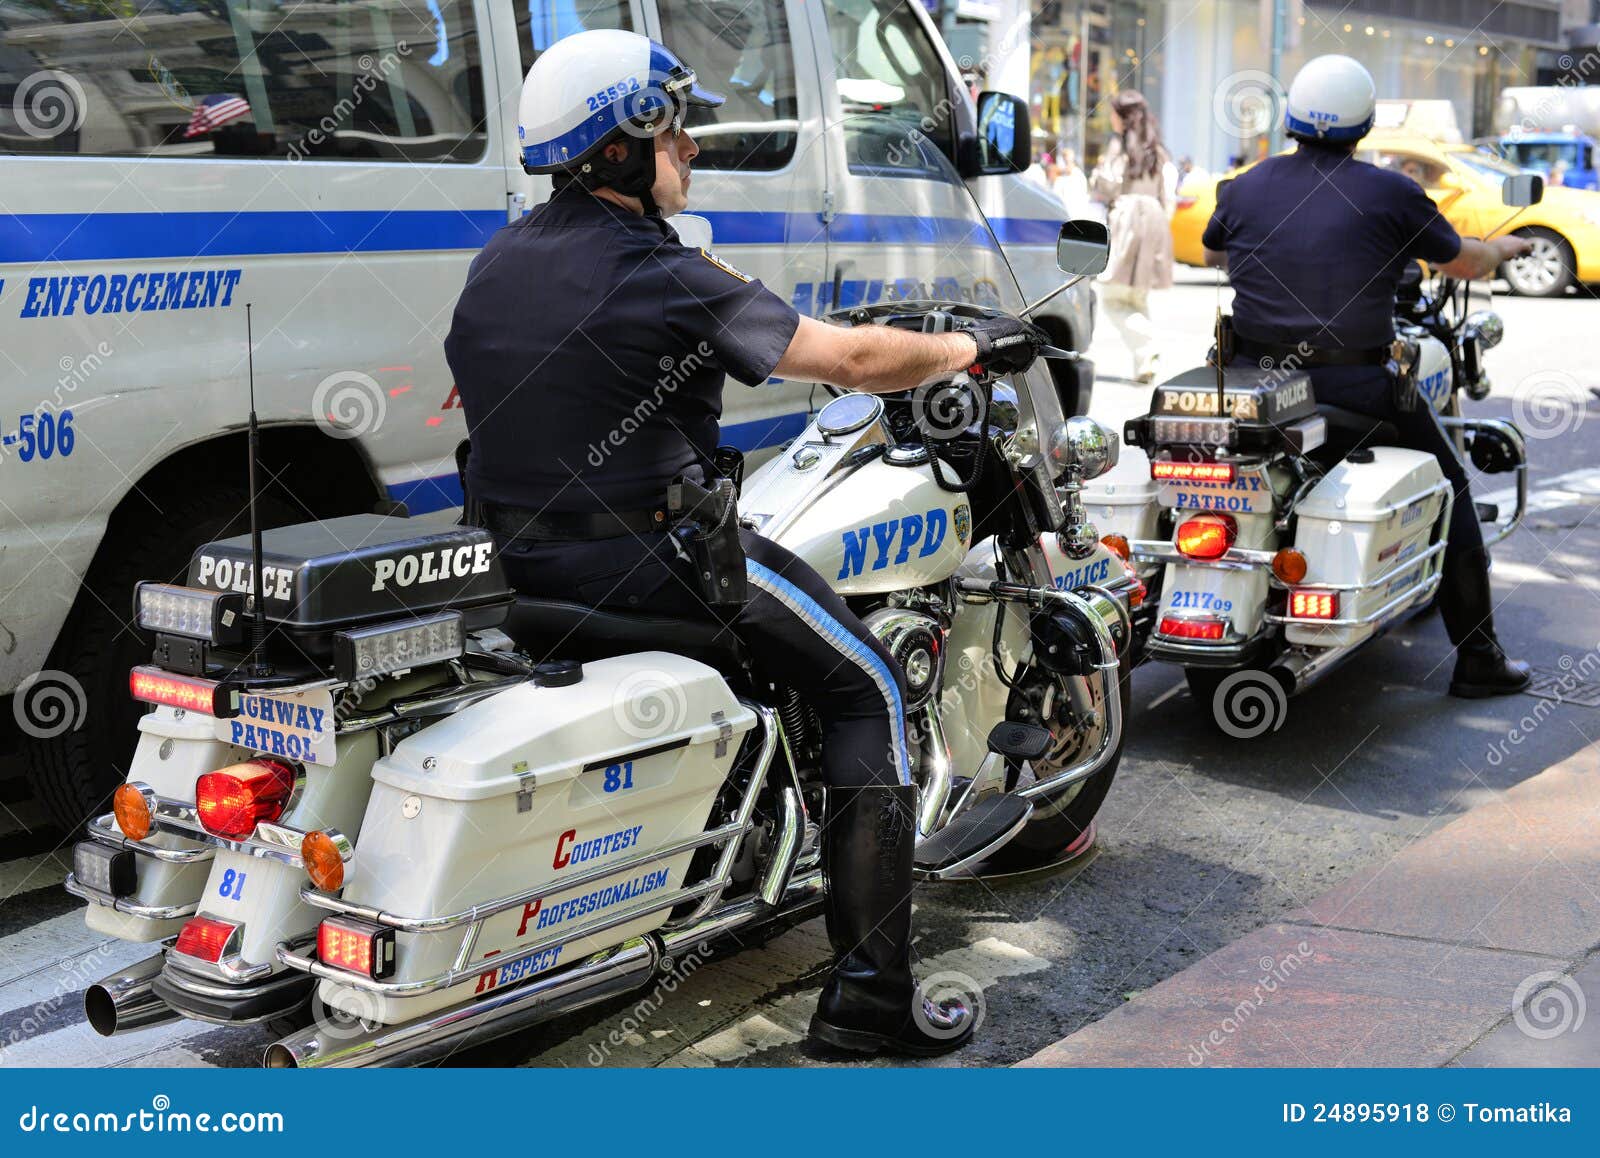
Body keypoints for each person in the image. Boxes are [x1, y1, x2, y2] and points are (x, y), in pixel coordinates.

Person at [443, 29, 1043, 1056]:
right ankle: (868, 1001)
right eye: (676, 128)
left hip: (522, 571)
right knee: (867, 690)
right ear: (625, 146)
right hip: (661, 565)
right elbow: (846, 357)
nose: (692, 148)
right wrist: (965, 345)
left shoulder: (497, 260)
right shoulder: (656, 268)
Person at [1199, 54, 1534, 698]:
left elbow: (1215, 249)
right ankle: (1479, 659)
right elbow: (1464, 262)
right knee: (1451, 483)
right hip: (1354, 392)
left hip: (1253, 391)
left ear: (1292, 118)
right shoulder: (1390, 192)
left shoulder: (1244, 185)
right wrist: (1504, 249)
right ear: (1364, 125)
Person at [1090, 89, 1174, 383]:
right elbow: (1167, 194)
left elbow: (1108, 183)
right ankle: (1144, 362)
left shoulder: (1120, 145)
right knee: (1137, 297)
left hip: (1127, 218)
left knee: (1113, 297)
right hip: (1154, 221)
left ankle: (1148, 347)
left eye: (1113, 112)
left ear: (1122, 117)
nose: (1110, 118)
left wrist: (1096, 175)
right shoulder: (1158, 150)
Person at [1053, 145, 1092, 219]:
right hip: (1064, 212)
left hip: (1075, 213)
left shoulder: (1079, 175)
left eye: (1068, 159)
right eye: (1065, 159)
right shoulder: (1061, 177)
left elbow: (1082, 195)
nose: (1067, 161)